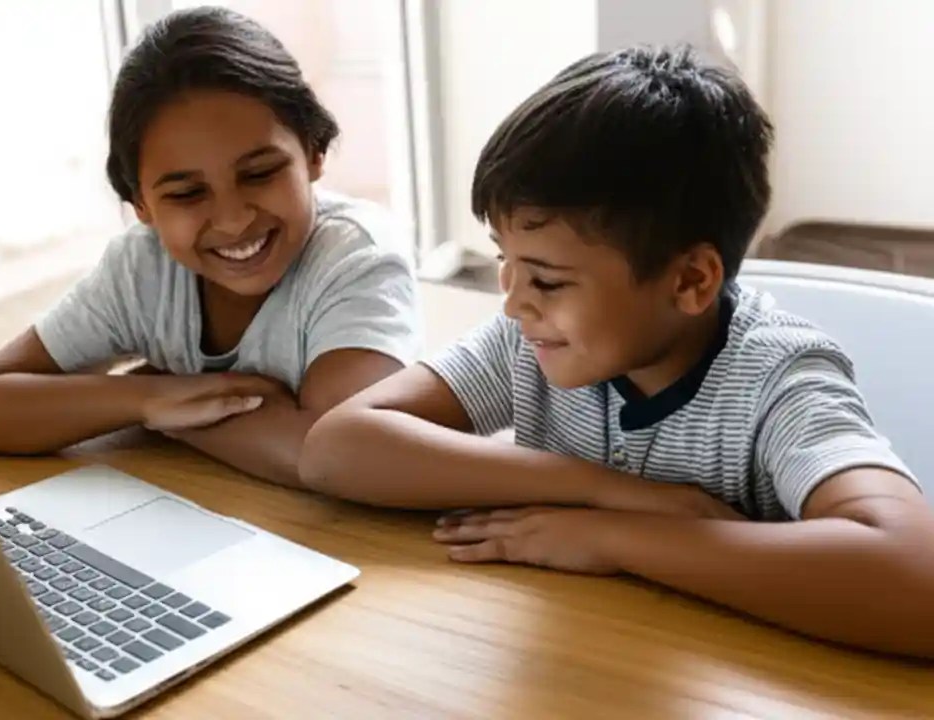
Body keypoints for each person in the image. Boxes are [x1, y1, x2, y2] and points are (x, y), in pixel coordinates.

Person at [300, 45, 934, 658]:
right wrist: (611, 491)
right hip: (582, 662)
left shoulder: (778, 380)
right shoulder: (530, 338)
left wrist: (613, 538)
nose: (514, 301)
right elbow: (337, 449)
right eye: (504, 260)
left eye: (547, 279)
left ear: (690, 281)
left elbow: (916, 577)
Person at [0, 6, 421, 489]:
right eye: (187, 194)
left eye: (259, 173)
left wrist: (160, 407)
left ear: (315, 151)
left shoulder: (356, 258)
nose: (234, 219)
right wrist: (149, 397)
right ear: (141, 205)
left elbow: (340, 454)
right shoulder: (141, 265)